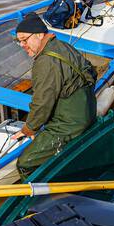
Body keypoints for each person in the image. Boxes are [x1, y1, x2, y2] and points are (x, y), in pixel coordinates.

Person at [13, 13, 97, 179]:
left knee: (25, 163)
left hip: (70, 124)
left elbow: (42, 103)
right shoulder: (63, 45)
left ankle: (46, 197)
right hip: (88, 111)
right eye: (19, 41)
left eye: (25, 39)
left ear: (39, 34)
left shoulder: (45, 62)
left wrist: (28, 128)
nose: (22, 45)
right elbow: (91, 73)